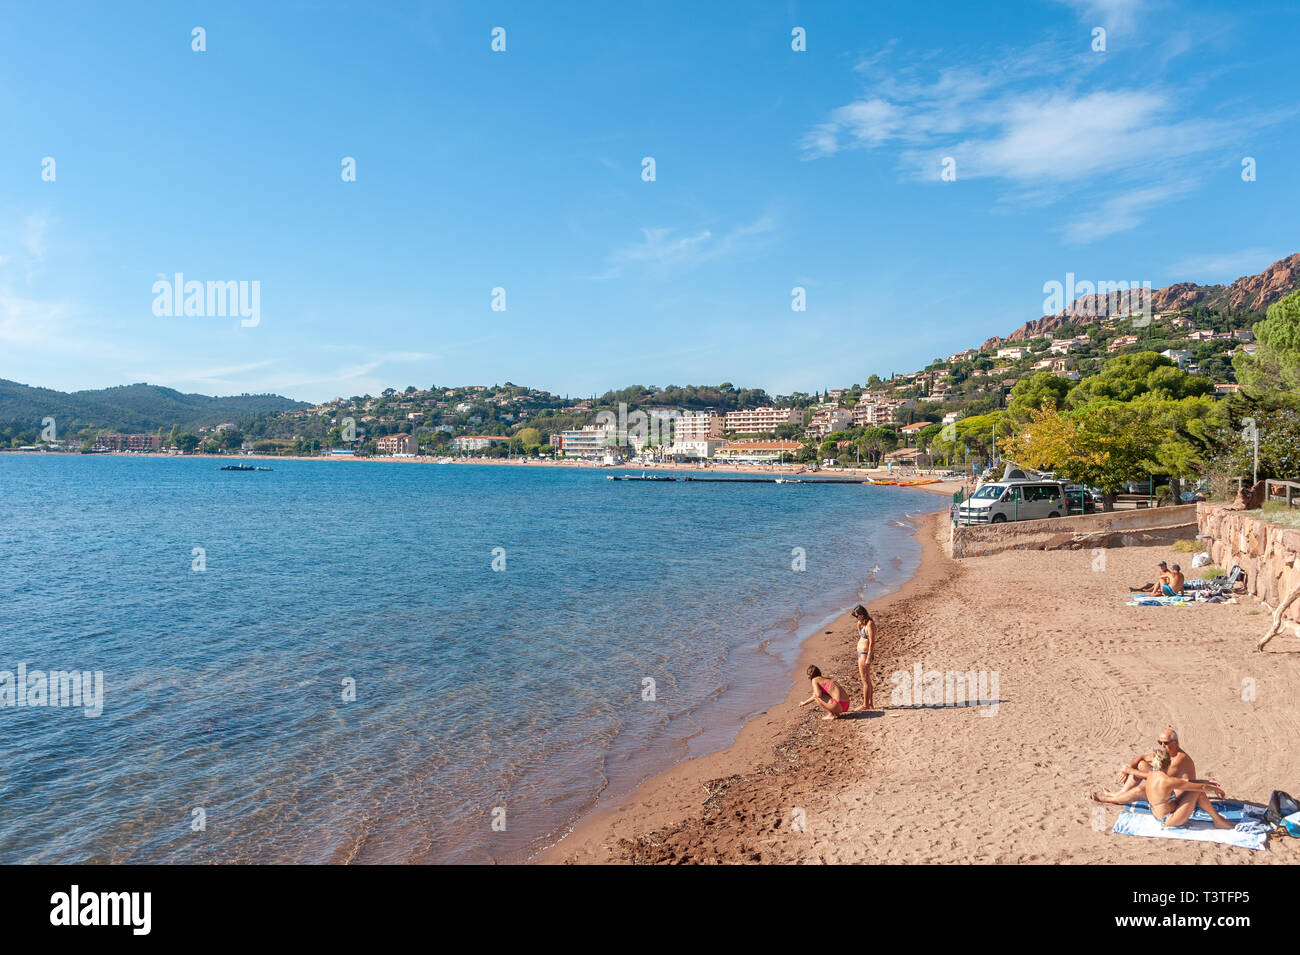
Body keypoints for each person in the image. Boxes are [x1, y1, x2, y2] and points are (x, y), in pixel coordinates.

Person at [1093, 748, 1232, 829]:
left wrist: (1205, 782)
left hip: (1156, 812)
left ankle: (1106, 798)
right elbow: (1197, 787)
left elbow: (1184, 782)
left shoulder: (1153, 774)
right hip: (1168, 820)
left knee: (1140, 791)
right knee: (1198, 792)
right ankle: (1218, 820)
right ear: (1168, 764)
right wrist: (1214, 788)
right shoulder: (1168, 781)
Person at [1098, 729, 1198, 804]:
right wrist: (1127, 768)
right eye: (1160, 742)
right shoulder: (1167, 752)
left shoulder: (1179, 759)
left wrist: (1131, 771)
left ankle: (1110, 799)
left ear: (1176, 743)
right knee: (1141, 764)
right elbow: (1141, 757)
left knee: (1140, 790)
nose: (1162, 746)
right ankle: (1119, 794)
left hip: (1176, 798)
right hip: (1168, 787)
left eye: (1166, 743)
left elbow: (1160, 779)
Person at [850, 604, 876, 711]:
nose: (856, 618)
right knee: (867, 679)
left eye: (857, 616)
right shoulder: (861, 624)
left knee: (865, 680)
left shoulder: (870, 624)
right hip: (861, 653)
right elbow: (861, 637)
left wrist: (869, 656)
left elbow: (872, 642)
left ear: (862, 614)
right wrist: (859, 624)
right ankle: (870, 704)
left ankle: (865, 704)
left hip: (865, 654)